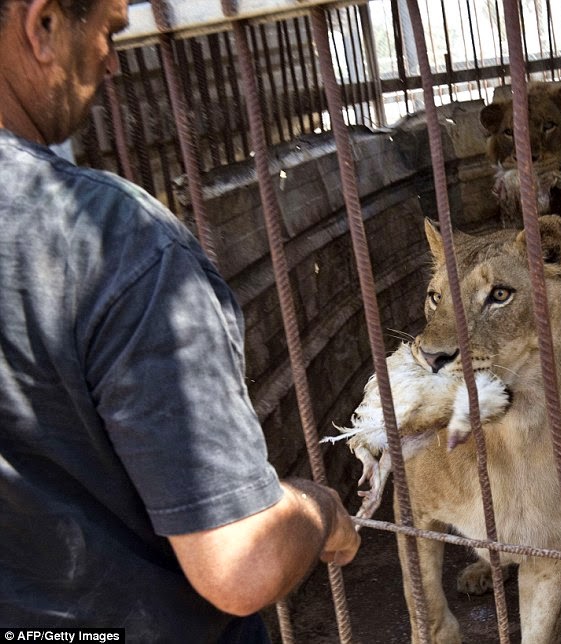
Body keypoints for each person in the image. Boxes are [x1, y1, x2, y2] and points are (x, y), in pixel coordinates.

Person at [0, 0, 360, 640]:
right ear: (44, 24)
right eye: (110, 30)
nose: (114, 60)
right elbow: (240, 565)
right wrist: (321, 507)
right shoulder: (112, 242)